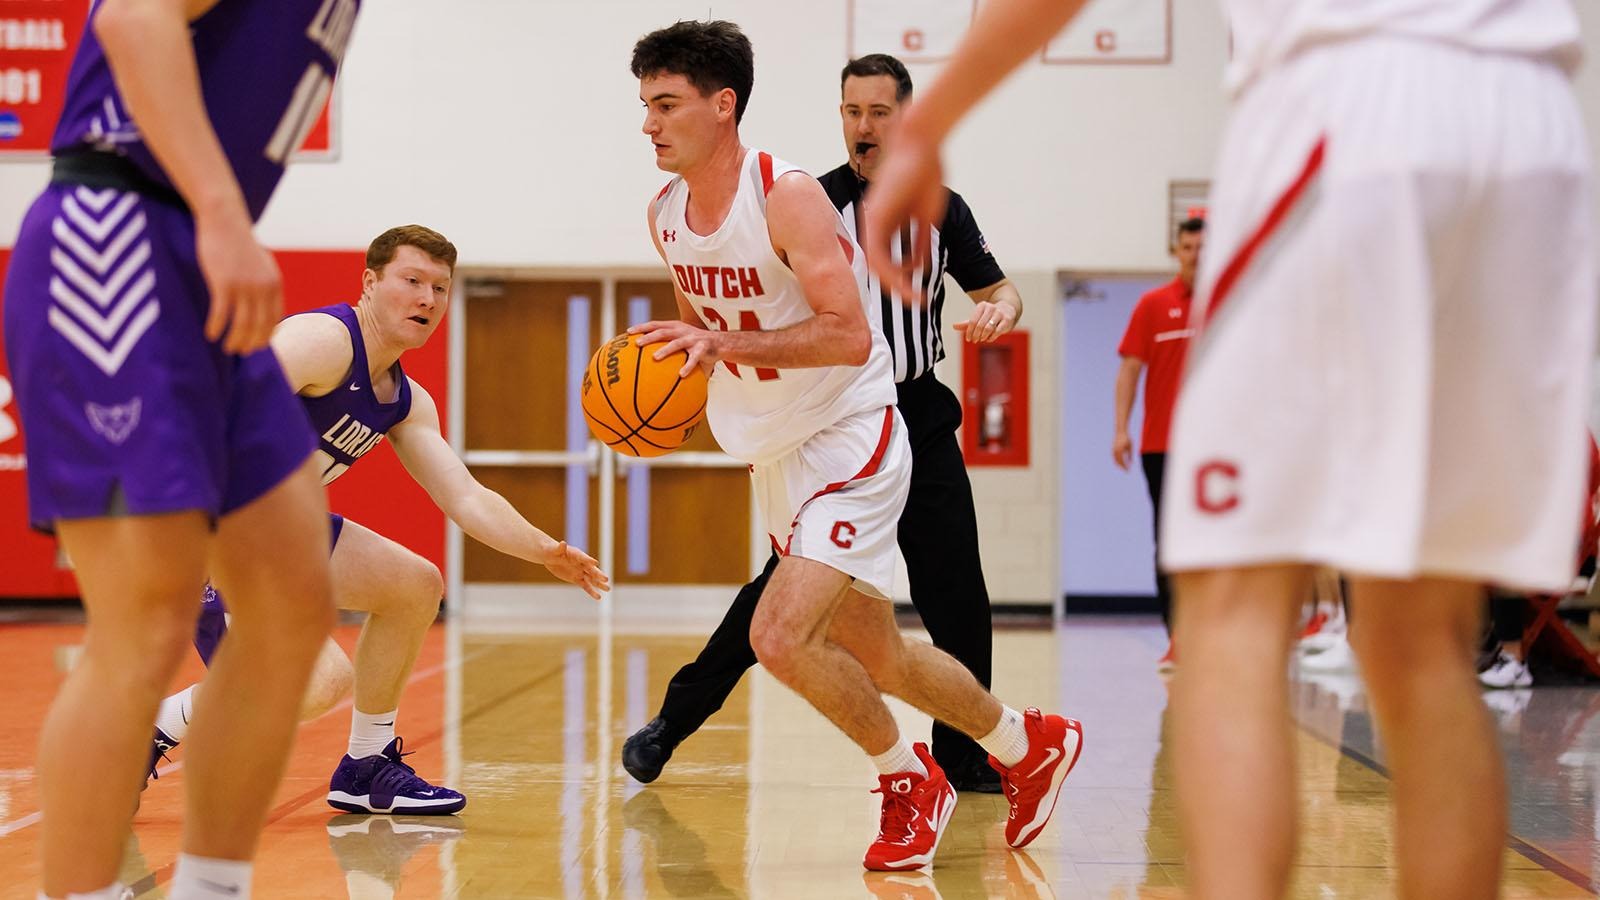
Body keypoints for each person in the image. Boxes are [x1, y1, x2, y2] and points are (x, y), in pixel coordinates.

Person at [863, 1, 1595, 897]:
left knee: (1234, 618)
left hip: (1355, 96)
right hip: (1532, 129)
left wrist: (930, 123)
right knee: (1423, 638)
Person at [627, 20, 1081, 871]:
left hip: (855, 429)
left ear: (722, 105)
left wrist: (723, 345)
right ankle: (1030, 745)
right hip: (780, 452)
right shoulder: (665, 216)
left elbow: (846, 335)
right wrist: (673, 393)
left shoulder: (788, 195)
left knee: (781, 634)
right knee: (879, 651)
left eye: (666, 104)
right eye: (645, 105)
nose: (648, 123)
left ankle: (912, 778)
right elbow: (708, 333)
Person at [0, 0, 370, 896]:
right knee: (145, 620)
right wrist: (220, 210)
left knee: (289, 603)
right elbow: (133, 18)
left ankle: (211, 886)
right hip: (119, 231)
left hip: (194, 263)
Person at [146, 225, 610, 815]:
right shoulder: (322, 341)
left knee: (415, 586)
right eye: (412, 280)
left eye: (439, 288)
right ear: (370, 283)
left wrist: (545, 550)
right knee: (320, 683)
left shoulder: (407, 402)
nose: (426, 299)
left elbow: (465, 496)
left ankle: (366, 766)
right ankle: (155, 725)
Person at [1113, 216, 1203, 670]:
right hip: (1162, 446)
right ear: (1176, 251)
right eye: (1188, 247)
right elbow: (1130, 369)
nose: (1196, 255)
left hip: (1215, 449)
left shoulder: (1230, 300)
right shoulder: (1153, 305)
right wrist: (1121, 429)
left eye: (1203, 248)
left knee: (1213, 543)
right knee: (1169, 543)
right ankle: (1178, 638)